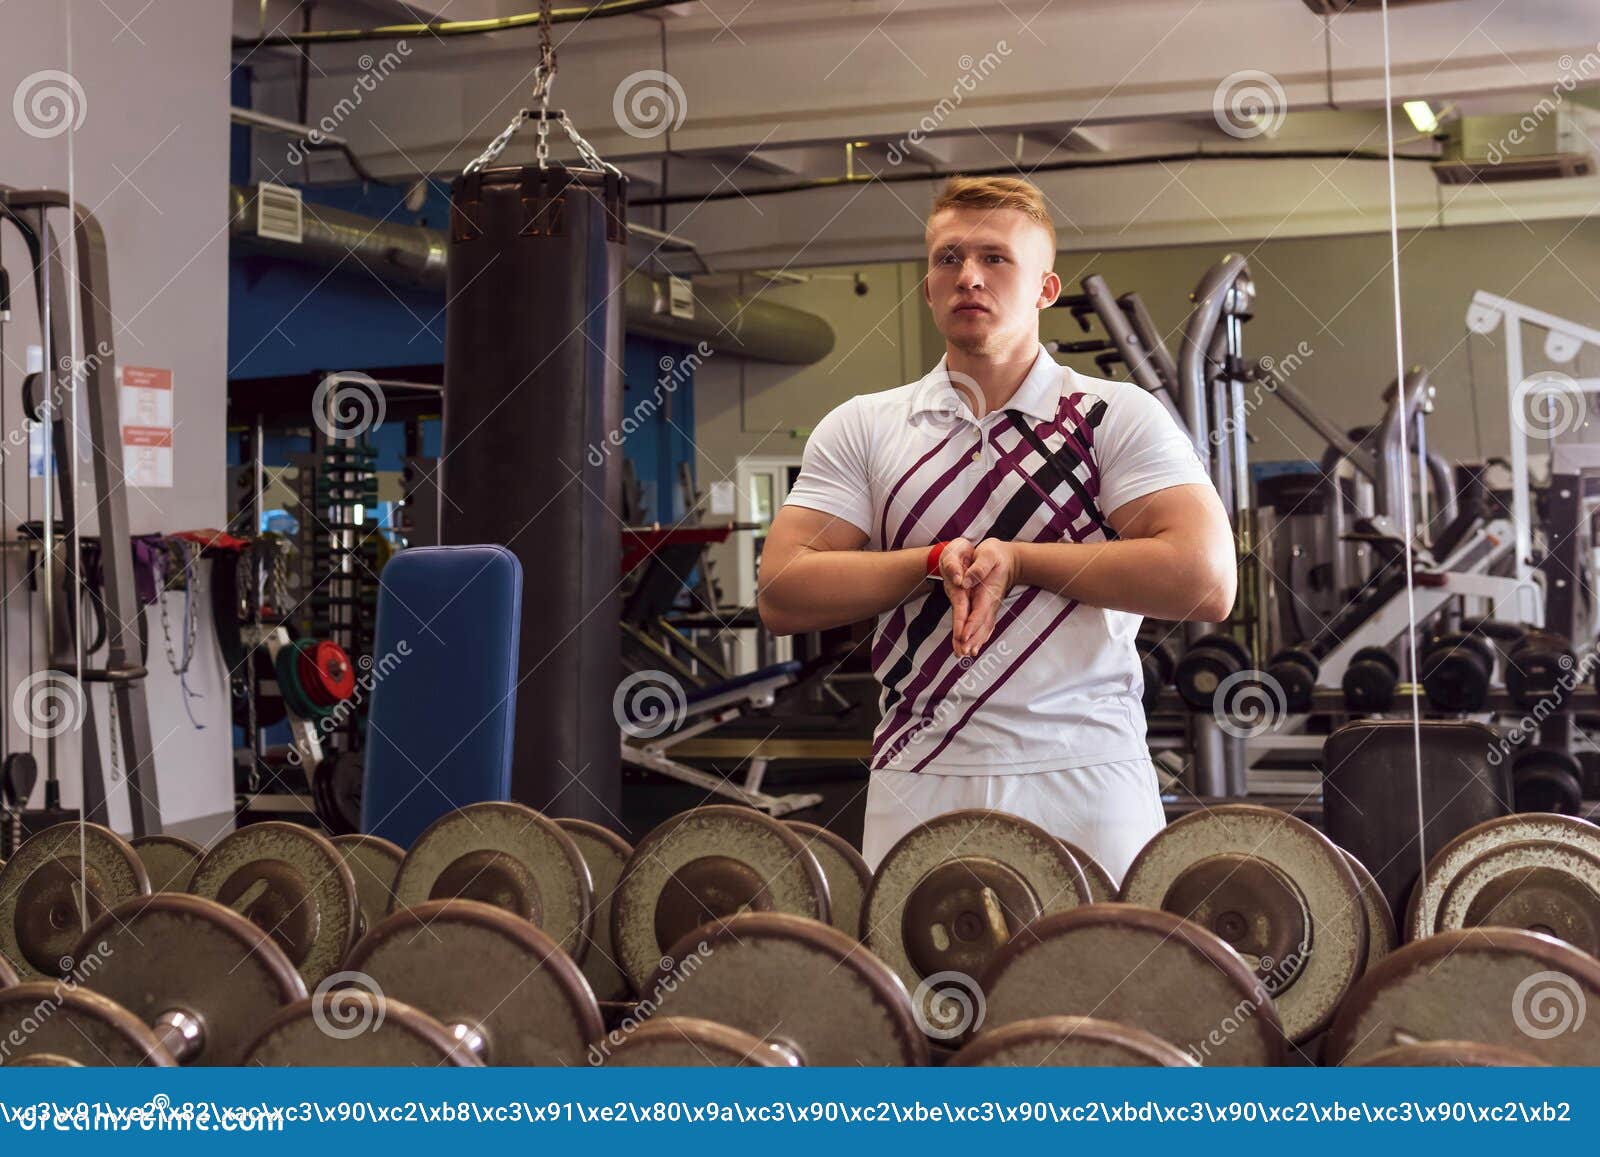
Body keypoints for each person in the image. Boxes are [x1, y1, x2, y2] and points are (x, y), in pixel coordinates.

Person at [756, 175, 1236, 882]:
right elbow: (782, 592)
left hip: (1085, 772)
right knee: (921, 990)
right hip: (920, 771)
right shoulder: (865, 425)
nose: (968, 276)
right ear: (927, 286)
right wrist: (932, 559)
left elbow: (1206, 580)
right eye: (948, 258)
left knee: (1103, 985)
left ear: (1045, 288)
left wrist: (1019, 559)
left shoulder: (1113, 415)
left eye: (995, 258)